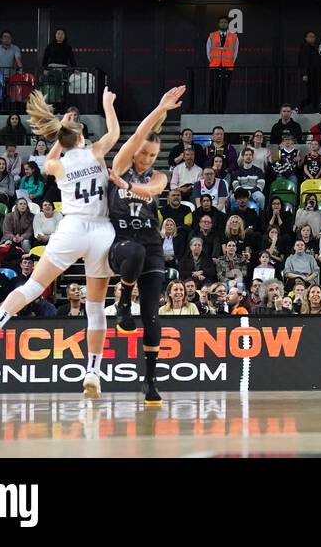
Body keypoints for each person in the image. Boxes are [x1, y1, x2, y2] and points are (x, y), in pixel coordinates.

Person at [0, 87, 121, 400]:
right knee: (95, 310)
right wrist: (108, 105)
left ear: (63, 141)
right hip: (101, 232)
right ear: (82, 138)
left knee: (33, 287)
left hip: (72, 228)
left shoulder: (58, 165)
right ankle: (92, 371)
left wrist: (58, 137)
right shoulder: (95, 152)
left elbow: (50, 158)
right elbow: (115, 132)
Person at [103, 85, 184, 406]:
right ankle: (122, 298)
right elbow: (137, 134)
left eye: (152, 155)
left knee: (152, 316)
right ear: (135, 152)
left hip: (151, 247)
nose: (147, 158)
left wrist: (130, 188)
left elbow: (152, 191)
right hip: (121, 244)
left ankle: (150, 380)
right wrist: (160, 108)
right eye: (144, 153)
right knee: (133, 253)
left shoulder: (159, 177)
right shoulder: (121, 165)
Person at [206, 15, 239, 114]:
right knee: (213, 89)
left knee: (224, 91)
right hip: (214, 67)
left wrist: (230, 63)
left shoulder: (234, 36)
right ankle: (211, 111)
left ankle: (221, 111)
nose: (223, 24)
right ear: (218, 24)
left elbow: (235, 52)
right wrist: (213, 62)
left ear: (228, 24)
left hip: (227, 68)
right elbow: (208, 51)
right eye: (221, 22)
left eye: (225, 22)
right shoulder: (212, 35)